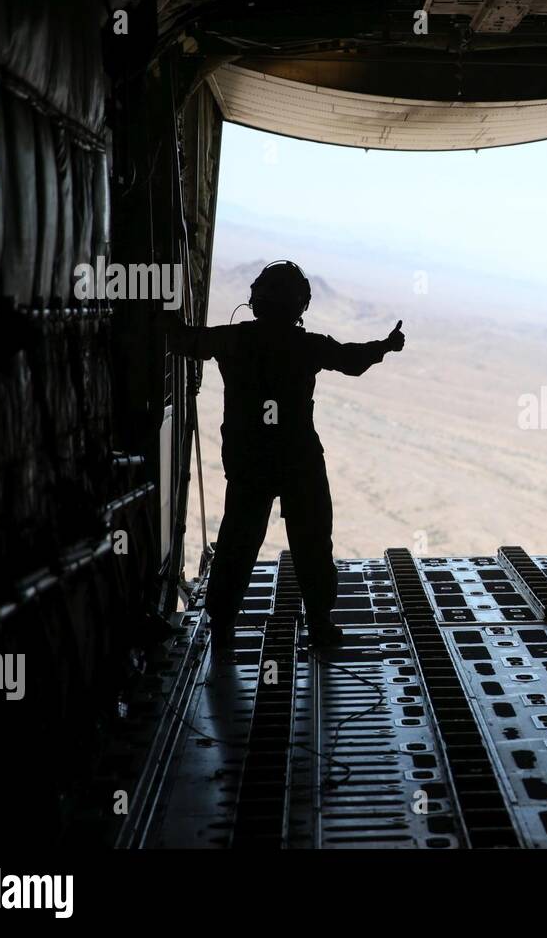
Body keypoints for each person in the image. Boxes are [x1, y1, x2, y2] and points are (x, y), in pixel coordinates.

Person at [163, 260, 405, 650]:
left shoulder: (233, 340)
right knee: (312, 542)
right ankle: (320, 626)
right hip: (299, 461)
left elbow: (180, 340)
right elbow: (350, 359)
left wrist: (159, 291)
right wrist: (386, 346)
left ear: (255, 301)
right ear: (300, 306)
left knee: (237, 544)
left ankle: (223, 627)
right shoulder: (306, 345)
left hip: (249, 462)